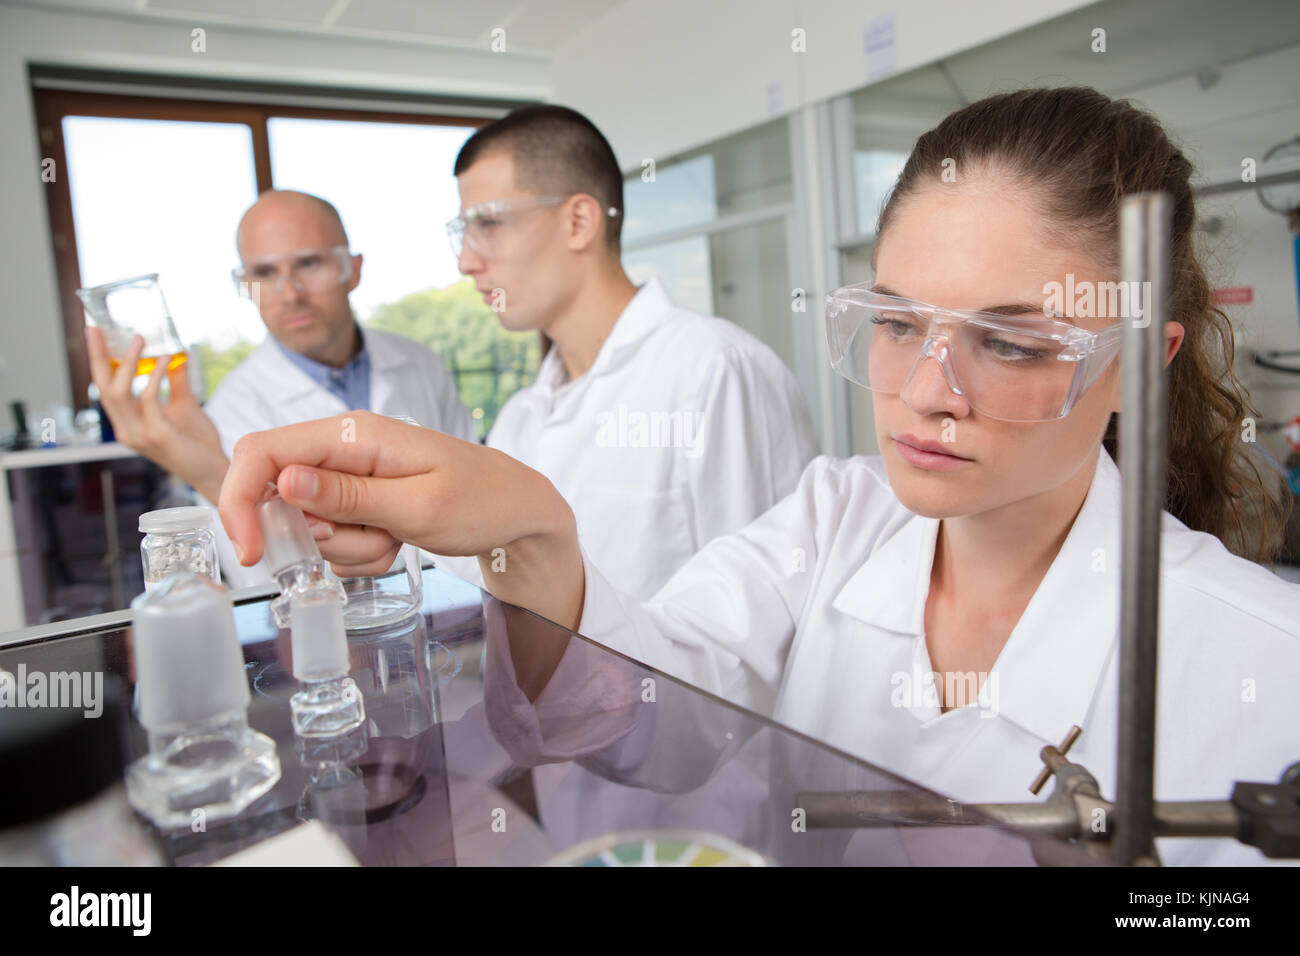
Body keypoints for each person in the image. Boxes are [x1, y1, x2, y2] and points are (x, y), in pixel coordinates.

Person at [219, 87, 1300, 865]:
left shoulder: (1266, 665)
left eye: (1010, 343)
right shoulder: (836, 517)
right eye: (894, 322)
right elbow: (663, 713)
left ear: (1137, 369)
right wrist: (532, 535)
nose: (929, 389)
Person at [433, 105, 819, 598]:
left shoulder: (713, 370)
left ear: (578, 221)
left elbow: (769, 609)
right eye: (462, 231)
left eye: (488, 223)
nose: (467, 260)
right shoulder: (519, 418)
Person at [87, 189, 475, 584]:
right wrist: (209, 475)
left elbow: (473, 501)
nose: (290, 294)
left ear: (353, 270)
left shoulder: (421, 365)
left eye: (309, 263)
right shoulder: (230, 411)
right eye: (264, 274)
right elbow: (265, 585)